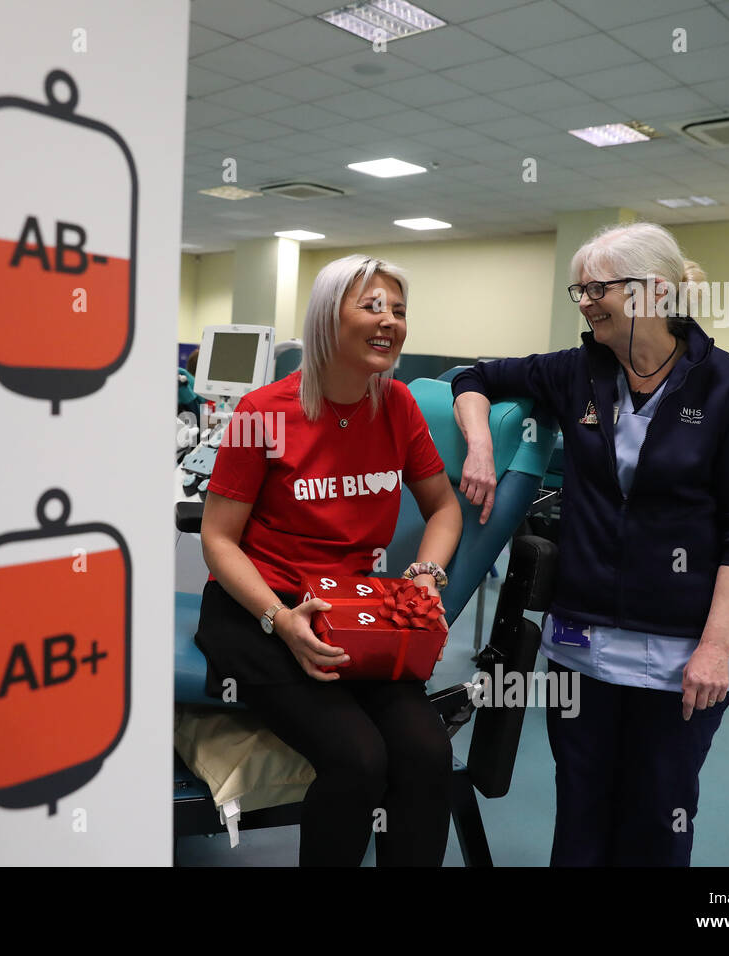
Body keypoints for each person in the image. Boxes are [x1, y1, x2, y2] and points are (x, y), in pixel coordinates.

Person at [452, 221, 729, 866]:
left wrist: (714, 649)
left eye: (596, 289)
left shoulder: (728, 388)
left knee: (658, 814)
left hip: (684, 651)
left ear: (654, 291)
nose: (585, 302)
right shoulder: (578, 371)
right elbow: (472, 376)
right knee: (579, 807)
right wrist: (482, 447)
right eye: (579, 291)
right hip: (584, 646)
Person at [194, 254, 463, 867]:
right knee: (358, 758)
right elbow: (218, 539)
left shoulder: (395, 405)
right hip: (258, 611)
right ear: (325, 318)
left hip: (350, 611)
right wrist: (279, 620)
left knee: (425, 752)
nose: (389, 321)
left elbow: (444, 508)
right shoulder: (263, 412)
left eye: (398, 310)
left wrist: (425, 572)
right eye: (372, 306)